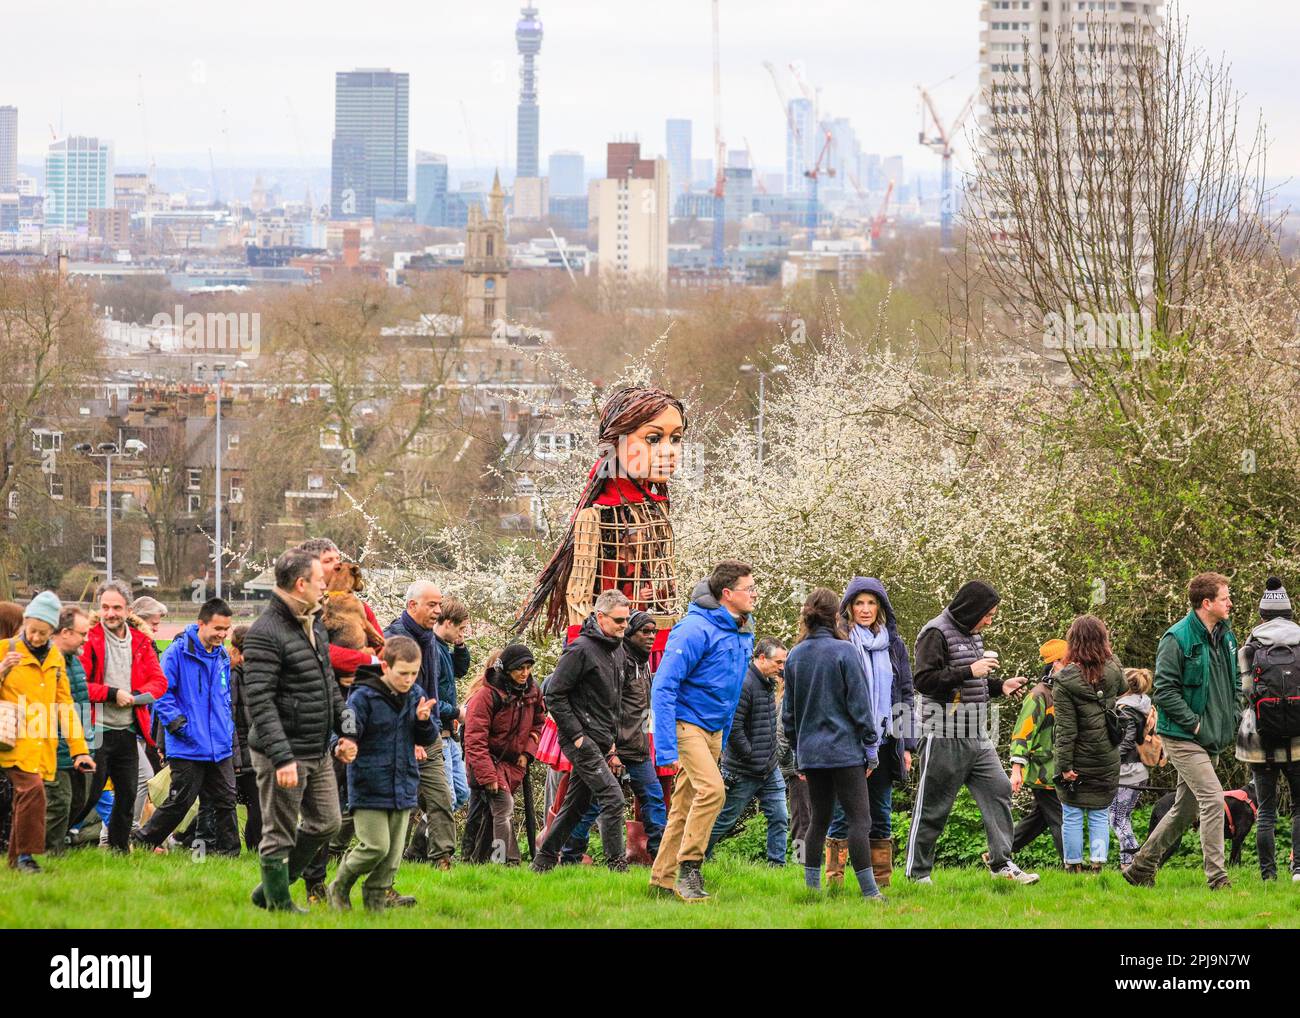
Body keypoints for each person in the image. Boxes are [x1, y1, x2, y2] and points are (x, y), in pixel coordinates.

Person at [243, 548, 357, 912]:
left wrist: (346, 732)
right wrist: (281, 758)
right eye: (321, 581)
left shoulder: (314, 623)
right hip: (281, 753)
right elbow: (259, 702)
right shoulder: (265, 632)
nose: (327, 586)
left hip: (317, 747)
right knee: (279, 830)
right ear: (300, 583)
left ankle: (268, 887)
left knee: (327, 822)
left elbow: (329, 687)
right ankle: (278, 905)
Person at [905, 579, 1038, 885]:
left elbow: (971, 683)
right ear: (971, 609)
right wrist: (970, 670)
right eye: (988, 614)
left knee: (1000, 790)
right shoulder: (934, 632)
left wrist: (999, 686)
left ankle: (1001, 864)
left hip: (976, 733)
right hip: (943, 731)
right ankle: (918, 874)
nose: (990, 620)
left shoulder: (972, 634)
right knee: (933, 806)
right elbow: (924, 681)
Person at [1123, 572, 1238, 891]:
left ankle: (1140, 867)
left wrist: (1234, 712)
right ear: (1207, 603)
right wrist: (1195, 723)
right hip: (1182, 736)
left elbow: (1235, 682)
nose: (1230, 603)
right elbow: (1165, 692)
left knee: (1183, 809)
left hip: (1212, 737)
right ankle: (1218, 879)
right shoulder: (1176, 638)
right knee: (1214, 799)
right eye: (1225, 597)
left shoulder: (1227, 636)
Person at [649, 561, 756, 901]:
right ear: (727, 594)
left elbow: (730, 690)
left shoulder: (742, 630)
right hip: (686, 725)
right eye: (748, 589)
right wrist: (665, 750)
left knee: (684, 806)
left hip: (712, 731)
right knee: (713, 791)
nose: (754, 594)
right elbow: (663, 687)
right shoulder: (694, 629)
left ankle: (661, 881)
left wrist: (722, 739)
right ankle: (690, 869)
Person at [782, 588, 883, 900]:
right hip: (845, 750)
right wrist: (870, 747)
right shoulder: (845, 651)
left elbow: (789, 714)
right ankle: (870, 892)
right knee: (859, 820)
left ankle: (812, 891)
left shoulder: (795, 656)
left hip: (812, 753)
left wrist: (798, 752)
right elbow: (860, 706)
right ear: (836, 616)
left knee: (819, 820)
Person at [327, 635, 435, 910]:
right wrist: (346, 744)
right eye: (402, 673)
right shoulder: (362, 696)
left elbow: (429, 736)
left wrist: (423, 722)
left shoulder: (415, 696)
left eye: (414, 673)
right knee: (375, 847)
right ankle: (339, 886)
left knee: (392, 856)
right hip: (369, 783)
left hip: (404, 784)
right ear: (385, 668)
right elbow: (347, 729)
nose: (409, 680)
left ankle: (374, 900)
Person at [532, 590, 631, 872]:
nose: (625, 626)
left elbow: (612, 703)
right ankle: (617, 866)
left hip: (601, 741)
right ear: (600, 617)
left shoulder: (618, 649)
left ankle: (544, 860)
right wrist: (577, 736)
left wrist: (611, 745)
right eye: (619, 620)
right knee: (613, 799)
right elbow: (554, 695)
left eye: (626, 620)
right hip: (581, 741)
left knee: (575, 805)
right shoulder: (580, 649)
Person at [827, 578, 916, 888]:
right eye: (859, 603)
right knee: (843, 810)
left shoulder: (894, 645)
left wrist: (907, 745)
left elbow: (905, 694)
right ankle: (835, 881)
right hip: (849, 741)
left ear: (881, 607)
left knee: (881, 810)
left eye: (871, 603)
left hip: (886, 739)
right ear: (849, 607)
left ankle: (882, 881)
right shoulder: (840, 641)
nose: (865, 609)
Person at [132, 598, 238, 856]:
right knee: (181, 801)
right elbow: (161, 692)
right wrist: (179, 725)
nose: (222, 635)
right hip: (188, 744)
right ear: (201, 624)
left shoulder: (222, 655)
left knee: (225, 799)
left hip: (219, 744)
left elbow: (223, 696)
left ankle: (228, 852)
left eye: (226, 630)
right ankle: (143, 840)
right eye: (217, 629)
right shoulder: (177, 654)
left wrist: (227, 726)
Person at [561, 611, 668, 864]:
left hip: (638, 750)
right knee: (592, 806)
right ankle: (570, 857)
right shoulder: (620, 663)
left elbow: (644, 709)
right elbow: (608, 709)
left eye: (654, 631)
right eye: (645, 631)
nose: (651, 636)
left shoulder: (644, 665)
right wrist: (611, 751)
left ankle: (662, 858)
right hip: (613, 749)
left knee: (654, 801)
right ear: (630, 632)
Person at [70, 580, 168, 851]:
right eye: (105, 607)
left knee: (127, 795)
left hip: (128, 729)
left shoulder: (140, 642)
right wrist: (113, 694)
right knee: (90, 792)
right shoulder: (90, 639)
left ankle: (118, 848)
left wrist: (136, 695)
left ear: (127, 610)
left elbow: (159, 682)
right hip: (97, 727)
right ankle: (61, 837)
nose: (110, 613)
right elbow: (81, 686)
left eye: (116, 607)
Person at [0, 593, 95, 871]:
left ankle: (16, 860)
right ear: (24, 623)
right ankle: (26, 856)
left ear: (52, 631)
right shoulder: (6, 649)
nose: (38, 638)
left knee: (25, 796)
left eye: (44, 633)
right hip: (10, 739)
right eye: (33, 631)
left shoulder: (55, 657)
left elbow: (65, 706)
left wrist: (80, 751)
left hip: (42, 745)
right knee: (33, 790)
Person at [384, 580, 458, 871]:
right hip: (398, 737)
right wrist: (410, 737)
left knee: (442, 797)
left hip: (430, 731)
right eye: (432, 605)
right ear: (412, 605)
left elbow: (433, 689)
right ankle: (339, 850)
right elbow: (391, 697)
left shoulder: (431, 639)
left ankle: (442, 858)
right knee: (390, 802)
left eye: (439, 604)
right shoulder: (394, 639)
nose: (438, 611)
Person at [1234, 577, 1300, 882]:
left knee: (1266, 811)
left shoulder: (1249, 646)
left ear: (1262, 615)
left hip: (1260, 740)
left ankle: (1268, 876)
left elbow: (1247, 692)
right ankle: (1299, 869)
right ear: (1289, 612)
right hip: (1299, 738)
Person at [706, 637, 788, 866]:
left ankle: (777, 866)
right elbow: (732, 727)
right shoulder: (744, 684)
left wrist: (770, 755)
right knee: (724, 820)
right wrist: (751, 755)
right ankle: (697, 858)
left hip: (769, 768)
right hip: (743, 769)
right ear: (762, 658)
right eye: (778, 662)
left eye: (783, 663)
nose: (781, 668)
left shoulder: (767, 682)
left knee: (780, 816)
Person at [1052, 615, 1124, 873]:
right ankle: (1098, 866)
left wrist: (1064, 765)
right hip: (1107, 755)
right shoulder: (1114, 669)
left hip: (1078, 757)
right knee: (1099, 813)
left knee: (1071, 814)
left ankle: (1072, 866)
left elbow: (1066, 730)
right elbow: (1125, 685)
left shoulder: (1064, 681)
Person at [462, 645, 546, 864]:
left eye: (528, 667)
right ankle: (505, 860)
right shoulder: (485, 696)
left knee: (486, 815)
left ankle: (474, 861)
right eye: (520, 668)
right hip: (487, 760)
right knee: (503, 807)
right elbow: (474, 740)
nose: (525, 673)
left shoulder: (532, 691)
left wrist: (528, 752)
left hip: (513, 763)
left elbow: (539, 723)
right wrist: (488, 775)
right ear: (507, 669)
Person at [1007, 638, 1068, 865]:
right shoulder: (1039, 695)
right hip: (1044, 771)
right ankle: (1073, 866)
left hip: (1059, 768)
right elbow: (1022, 732)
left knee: (1039, 820)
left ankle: (998, 852)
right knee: (1060, 819)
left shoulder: (1065, 692)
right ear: (1056, 664)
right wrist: (1017, 769)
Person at [43, 606, 94, 855]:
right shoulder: (47, 662)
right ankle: (46, 853)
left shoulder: (73, 661)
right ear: (64, 632)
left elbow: (79, 704)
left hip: (77, 746)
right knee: (58, 803)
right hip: (52, 748)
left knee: (78, 801)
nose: (86, 639)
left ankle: (56, 846)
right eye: (82, 633)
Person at [1112, 667, 1155, 869]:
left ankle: (1135, 858)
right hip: (1140, 769)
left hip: (1126, 770)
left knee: (1116, 818)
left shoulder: (1126, 709)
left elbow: (1127, 742)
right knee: (1124, 816)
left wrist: (1110, 762)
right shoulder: (1143, 705)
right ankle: (1126, 862)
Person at [432, 598, 472, 813]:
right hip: (440, 730)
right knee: (447, 798)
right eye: (460, 629)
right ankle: (426, 845)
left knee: (462, 793)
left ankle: (422, 843)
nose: (462, 633)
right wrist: (457, 712)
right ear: (448, 623)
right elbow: (431, 699)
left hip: (449, 731)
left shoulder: (443, 648)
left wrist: (460, 645)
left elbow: (460, 669)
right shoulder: (432, 650)